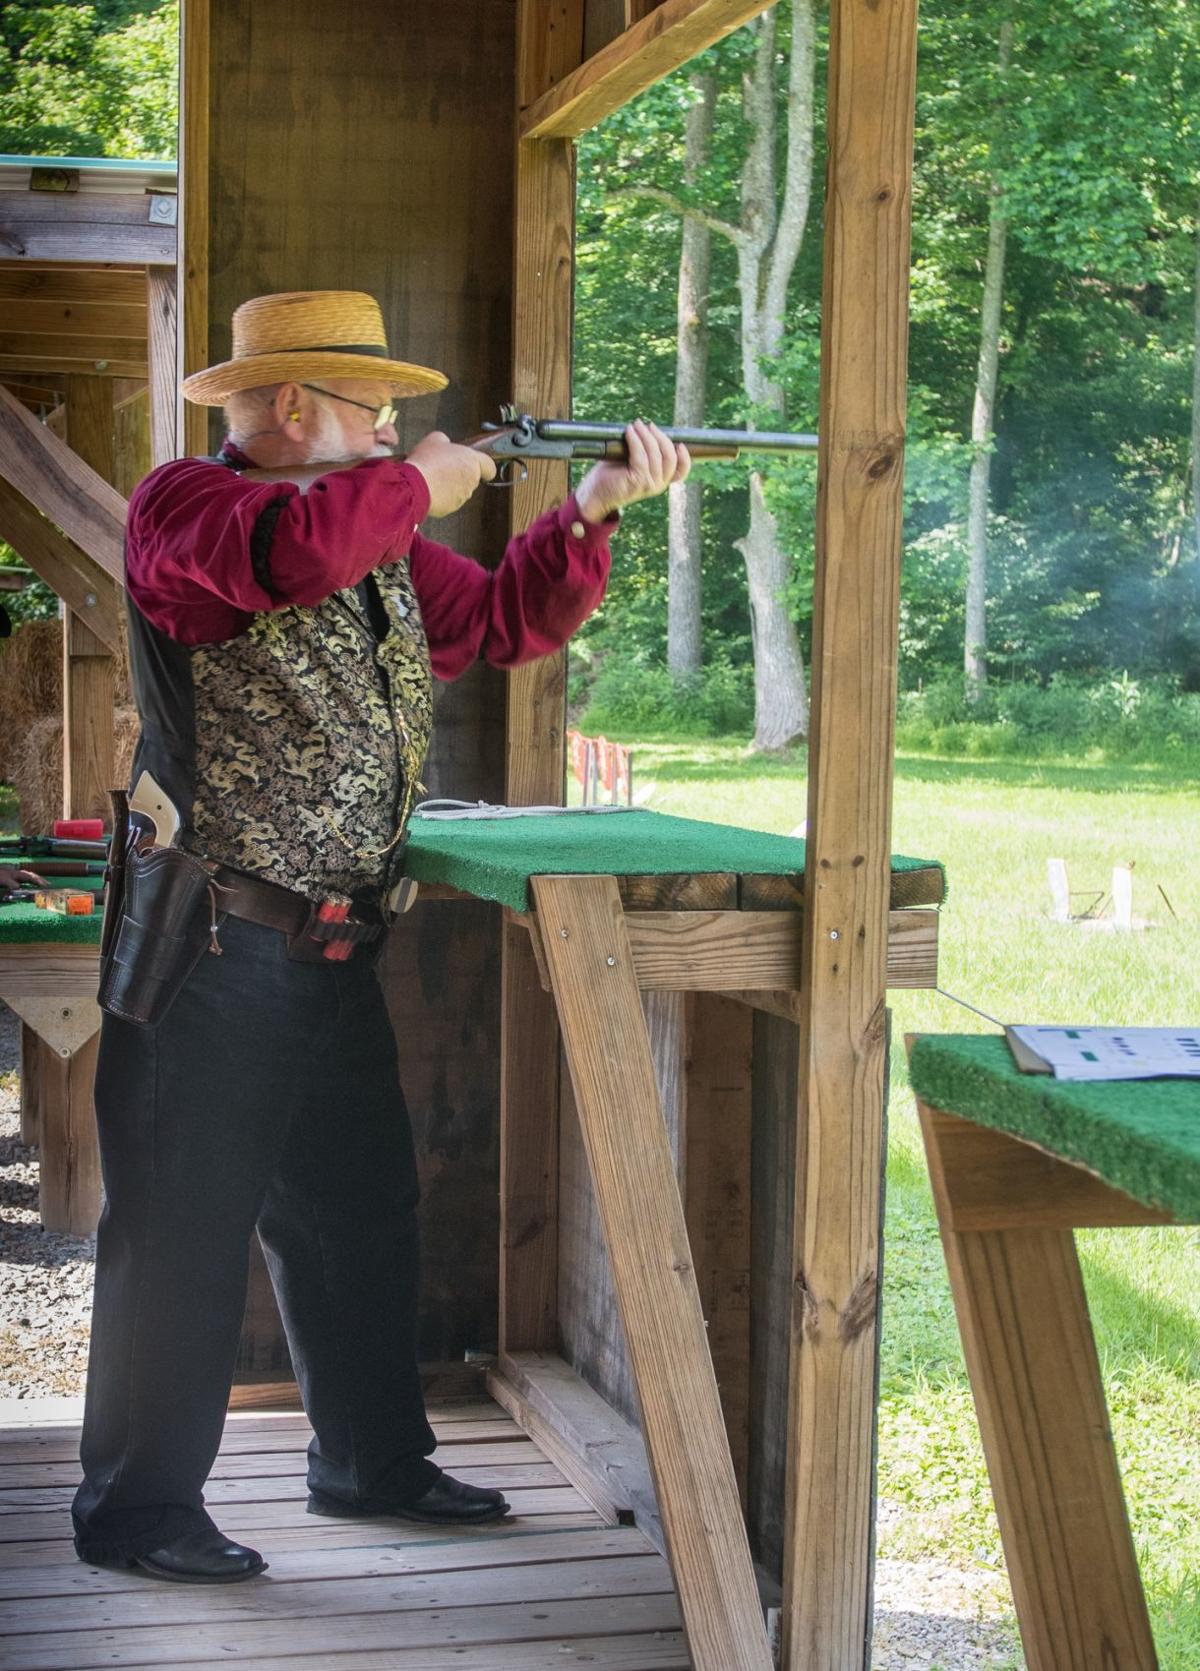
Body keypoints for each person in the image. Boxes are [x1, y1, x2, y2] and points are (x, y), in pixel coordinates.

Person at [72, 290, 690, 1583]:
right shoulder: (190, 506)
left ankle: (369, 1462)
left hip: (335, 948)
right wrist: (420, 482)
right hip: (216, 945)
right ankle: (136, 1512)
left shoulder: (379, 534)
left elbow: (506, 623)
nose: (398, 427)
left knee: (359, 1218)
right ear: (296, 405)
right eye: (376, 405)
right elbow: (289, 558)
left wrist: (590, 515)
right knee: (177, 1233)